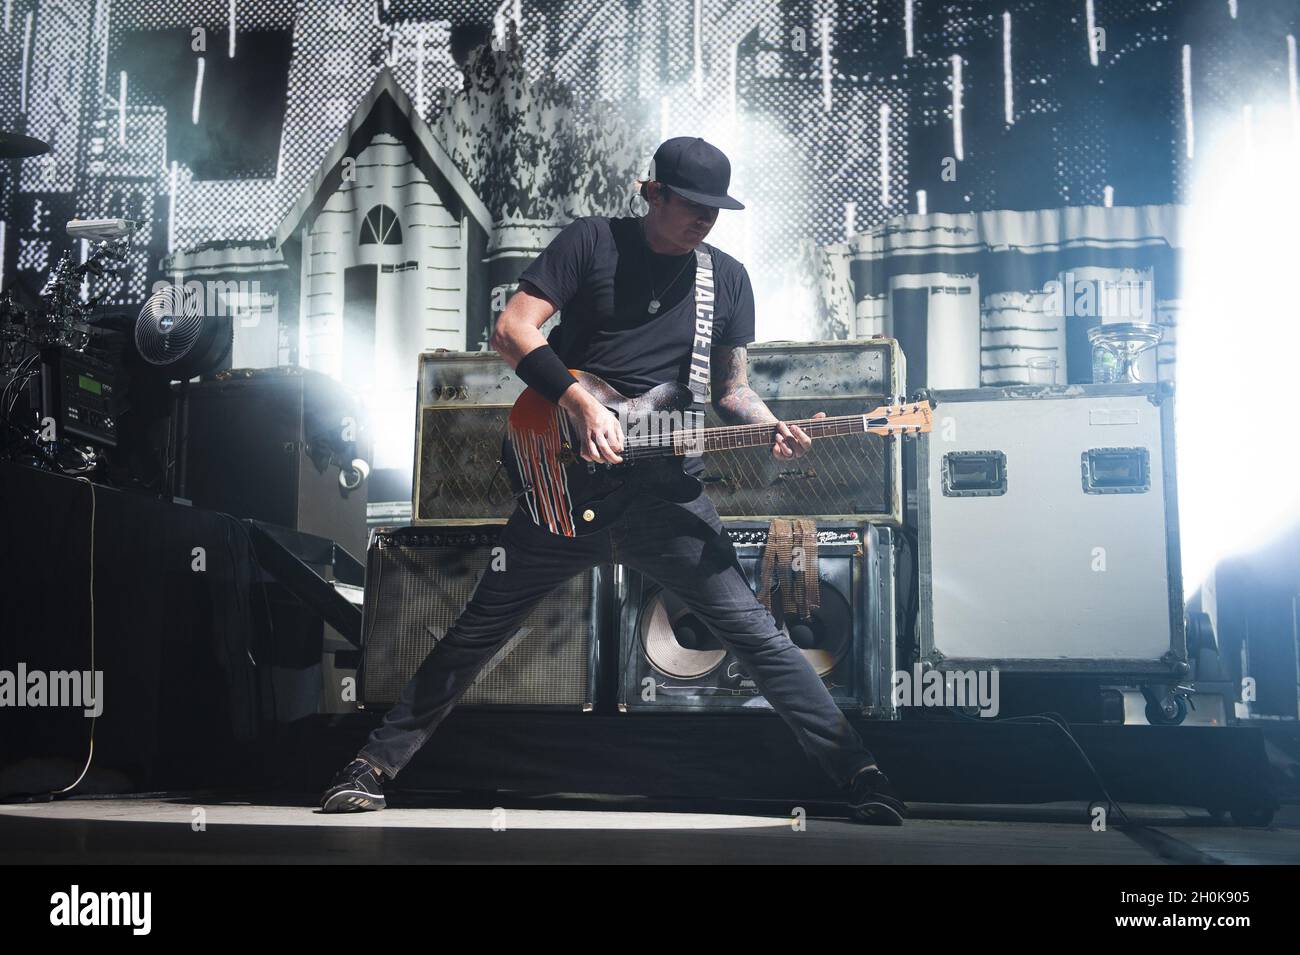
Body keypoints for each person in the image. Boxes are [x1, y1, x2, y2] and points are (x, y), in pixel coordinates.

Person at [320, 136, 908, 825]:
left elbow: (731, 388)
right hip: (564, 485)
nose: (705, 221)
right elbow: (513, 329)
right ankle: (371, 765)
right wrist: (577, 403)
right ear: (650, 191)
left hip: (665, 496)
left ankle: (861, 773)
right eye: (692, 206)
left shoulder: (729, 278)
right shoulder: (591, 243)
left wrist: (770, 422)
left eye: (716, 210)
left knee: (757, 633)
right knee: (478, 630)